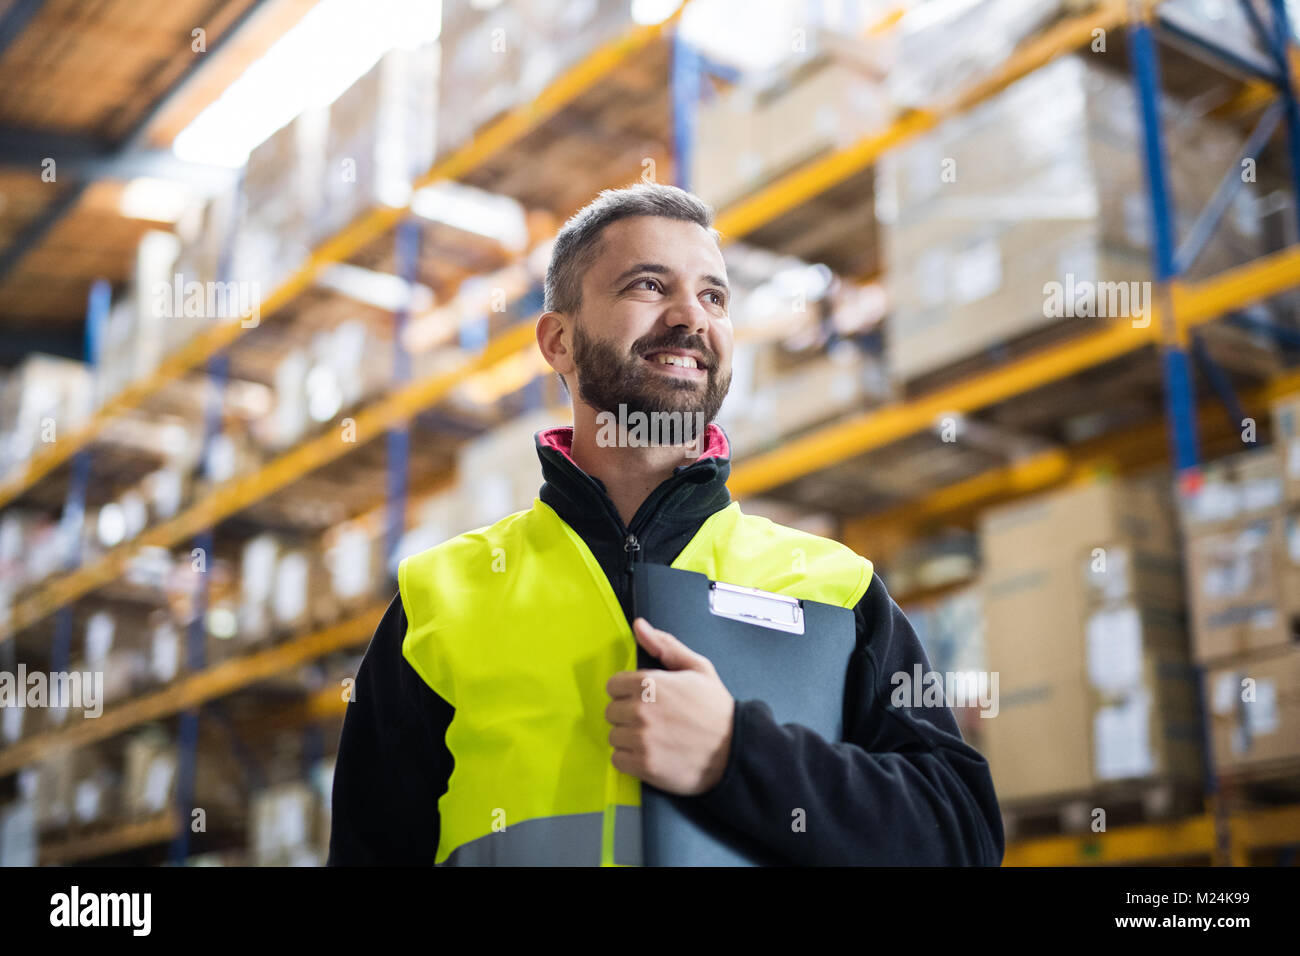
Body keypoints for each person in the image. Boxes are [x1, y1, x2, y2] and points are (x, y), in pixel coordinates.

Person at [328, 182, 1004, 866]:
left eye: (714, 296)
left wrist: (737, 755)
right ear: (558, 341)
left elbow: (962, 839)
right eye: (649, 285)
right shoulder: (439, 602)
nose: (691, 316)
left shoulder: (835, 589)